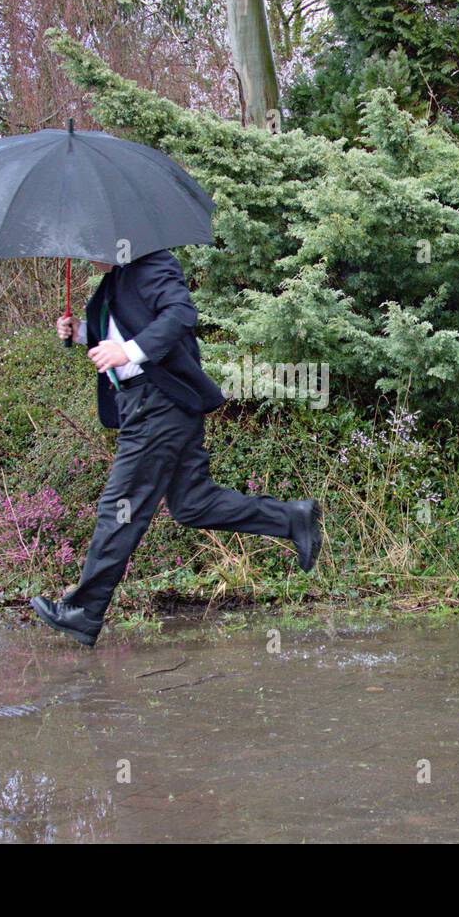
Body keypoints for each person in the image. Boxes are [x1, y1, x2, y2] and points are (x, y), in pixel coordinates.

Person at [31, 248, 322, 647]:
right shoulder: (113, 281)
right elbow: (120, 332)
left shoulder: (153, 265)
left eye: (88, 246)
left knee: (121, 505)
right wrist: (80, 332)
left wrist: (129, 351)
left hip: (159, 404)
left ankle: (84, 610)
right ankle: (292, 519)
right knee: (192, 504)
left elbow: (180, 315)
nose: (82, 255)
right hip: (145, 405)